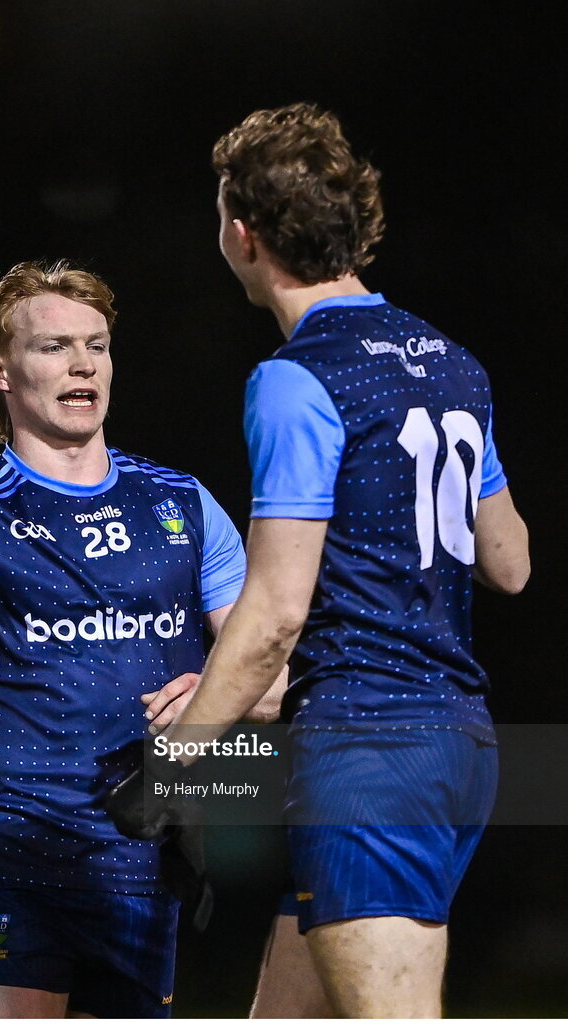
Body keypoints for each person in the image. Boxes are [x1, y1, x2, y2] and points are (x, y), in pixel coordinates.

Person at [107, 104, 530, 1018]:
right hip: (457, 743)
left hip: (369, 751)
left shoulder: (296, 377)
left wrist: (175, 763)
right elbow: (509, 561)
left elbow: (272, 619)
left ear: (242, 232)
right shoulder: (450, 363)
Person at [0, 259, 279, 1019]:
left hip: (142, 852)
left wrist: (218, 695)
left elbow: (268, 684)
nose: (82, 363)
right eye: (54, 347)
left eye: (97, 345)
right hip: (13, 849)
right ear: (2, 372)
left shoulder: (184, 504)